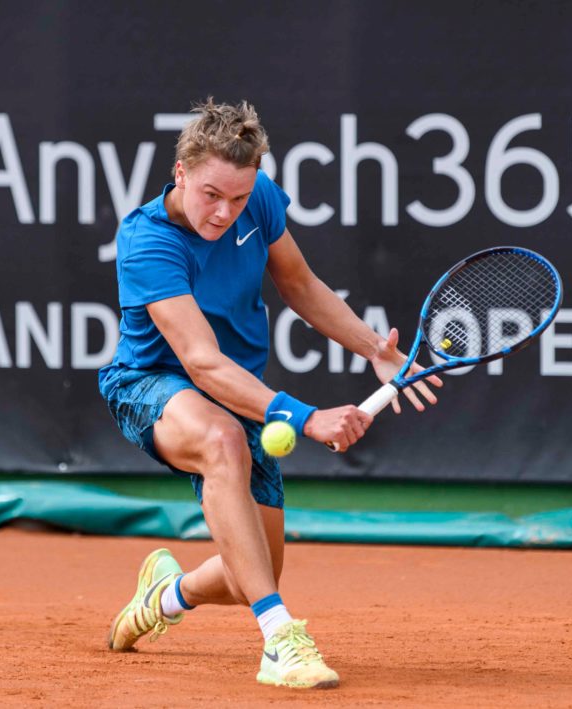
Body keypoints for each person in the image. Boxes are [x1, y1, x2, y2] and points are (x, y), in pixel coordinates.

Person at [98, 98, 441, 689]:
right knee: (221, 439)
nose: (226, 211)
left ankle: (167, 595)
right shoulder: (148, 241)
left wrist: (373, 349)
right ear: (180, 173)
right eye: (211, 195)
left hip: (237, 390)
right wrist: (306, 418)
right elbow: (202, 363)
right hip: (151, 384)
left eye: (238, 197)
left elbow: (300, 283)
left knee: (249, 572)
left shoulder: (256, 198)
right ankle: (281, 639)